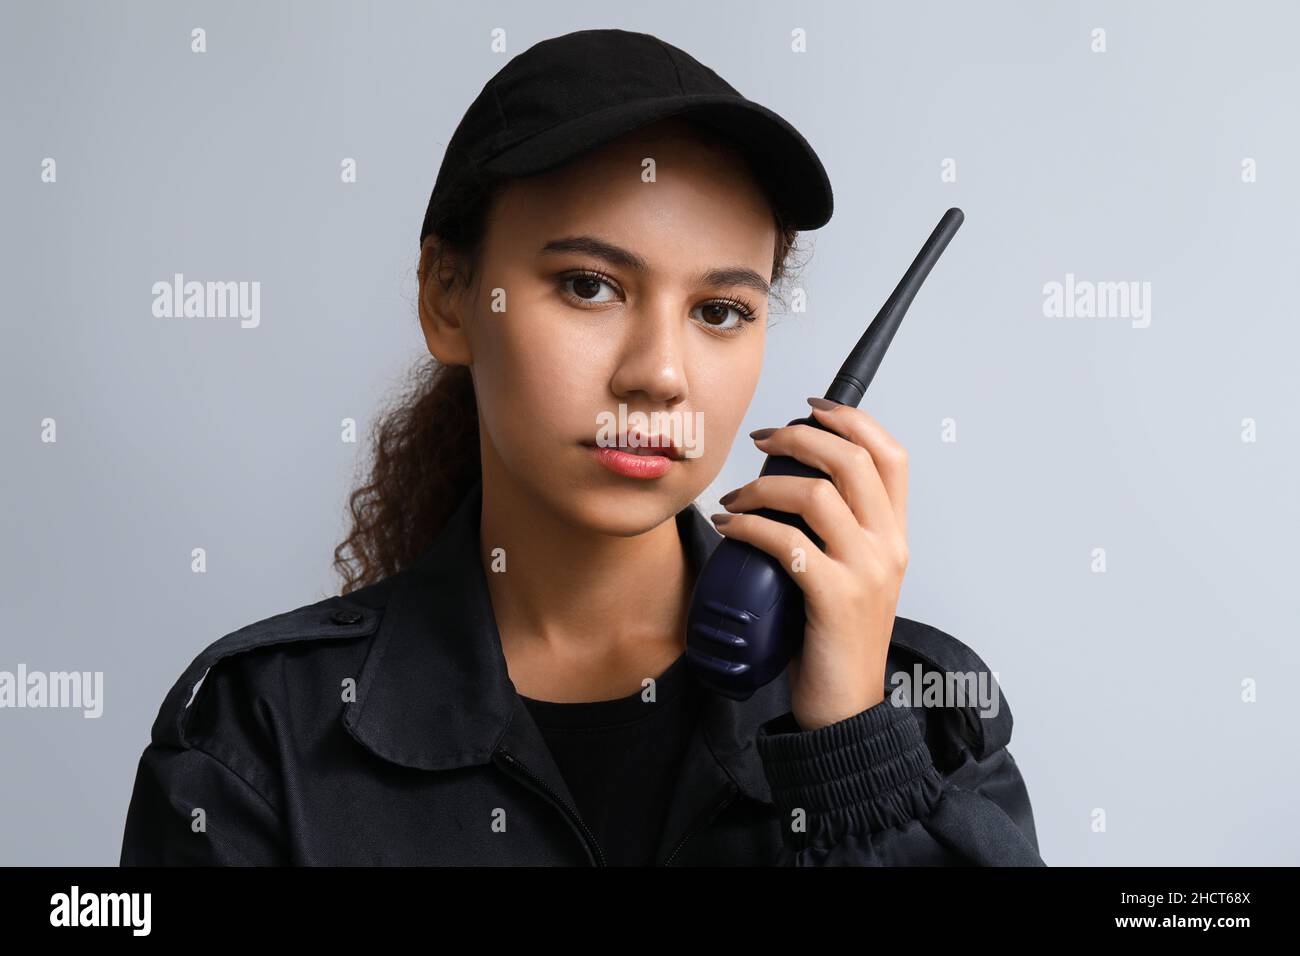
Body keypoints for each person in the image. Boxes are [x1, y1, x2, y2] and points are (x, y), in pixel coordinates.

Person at [120, 28, 1045, 866]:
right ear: (449, 298)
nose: (661, 375)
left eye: (721, 311)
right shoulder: (258, 739)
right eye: (591, 287)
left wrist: (852, 752)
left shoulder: (928, 719)